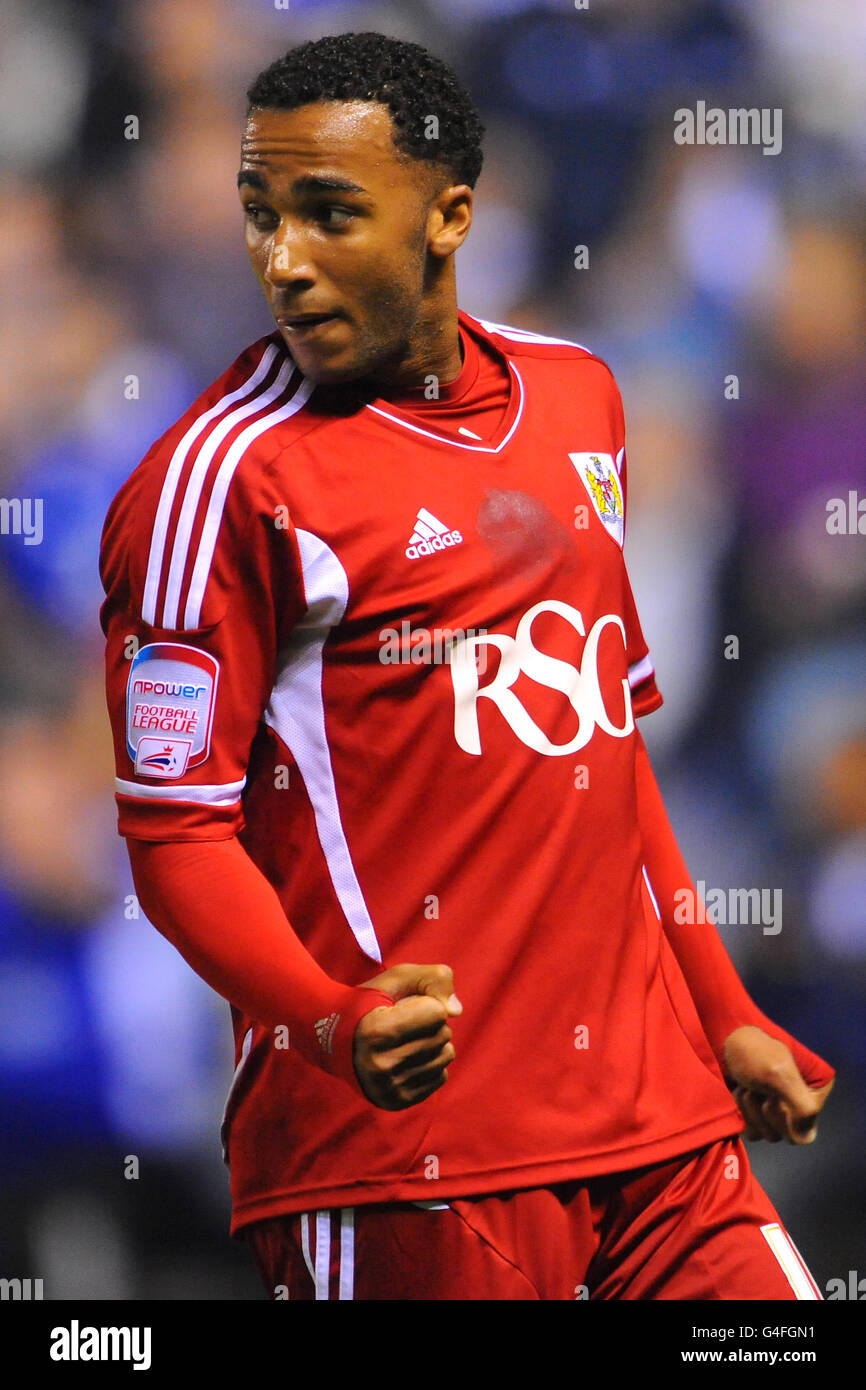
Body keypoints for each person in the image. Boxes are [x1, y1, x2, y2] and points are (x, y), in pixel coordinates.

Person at [99, 31, 834, 1301]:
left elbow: (601, 752)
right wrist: (330, 1022)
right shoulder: (214, 485)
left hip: (656, 1133)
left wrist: (720, 1011)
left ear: (448, 215)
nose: (283, 259)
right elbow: (173, 839)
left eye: (330, 213)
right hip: (406, 1163)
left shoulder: (577, 397)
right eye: (261, 213)